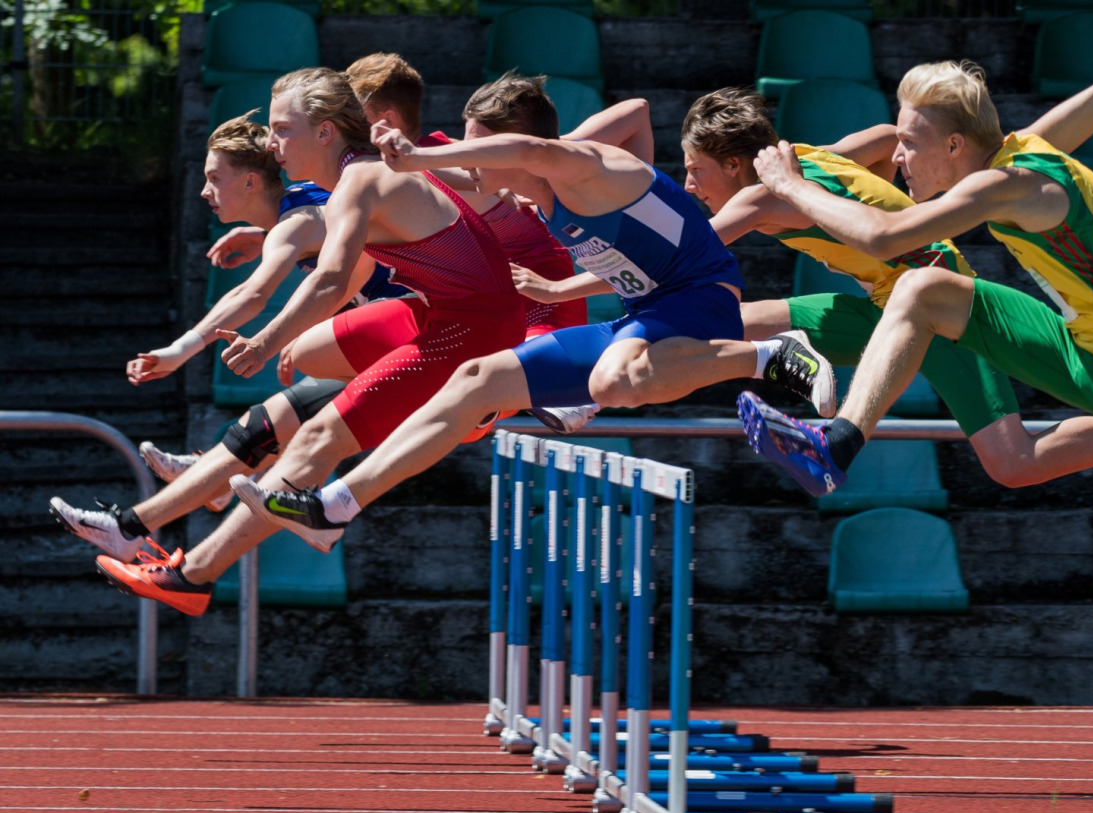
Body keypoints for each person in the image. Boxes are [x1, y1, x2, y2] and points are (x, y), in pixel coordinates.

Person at [228, 72, 838, 554]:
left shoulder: (586, 167)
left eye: (475, 149)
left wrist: (415, 158)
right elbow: (629, 256)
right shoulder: (536, 202)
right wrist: (557, 289)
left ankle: (769, 355)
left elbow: (542, 144)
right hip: (646, 315)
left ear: (510, 146)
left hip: (703, 301)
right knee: (477, 379)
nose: (466, 165)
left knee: (610, 380)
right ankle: (337, 507)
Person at [742, 63, 1093, 581]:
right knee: (922, 288)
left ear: (955, 146)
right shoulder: (1022, 150)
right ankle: (834, 444)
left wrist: (790, 186)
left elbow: (884, 238)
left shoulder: (1008, 185)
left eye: (909, 141)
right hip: (1081, 340)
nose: (898, 155)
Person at [91, 66, 530, 616]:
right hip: (444, 316)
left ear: (325, 132)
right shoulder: (357, 179)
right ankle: (224, 529)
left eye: (281, 129)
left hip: (473, 332)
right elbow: (334, 236)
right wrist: (266, 237)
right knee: (311, 392)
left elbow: (328, 281)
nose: (270, 145)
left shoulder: (362, 180)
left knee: (317, 430)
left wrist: (265, 340)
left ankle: (197, 570)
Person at [49, 112, 406, 560]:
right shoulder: (298, 213)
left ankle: (171, 521)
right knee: (265, 425)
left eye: (215, 178)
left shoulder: (294, 222)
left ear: (253, 182)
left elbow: (254, 293)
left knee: (267, 426)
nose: (204, 191)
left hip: (424, 349)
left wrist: (183, 349)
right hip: (396, 343)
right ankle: (181, 501)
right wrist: (263, 237)